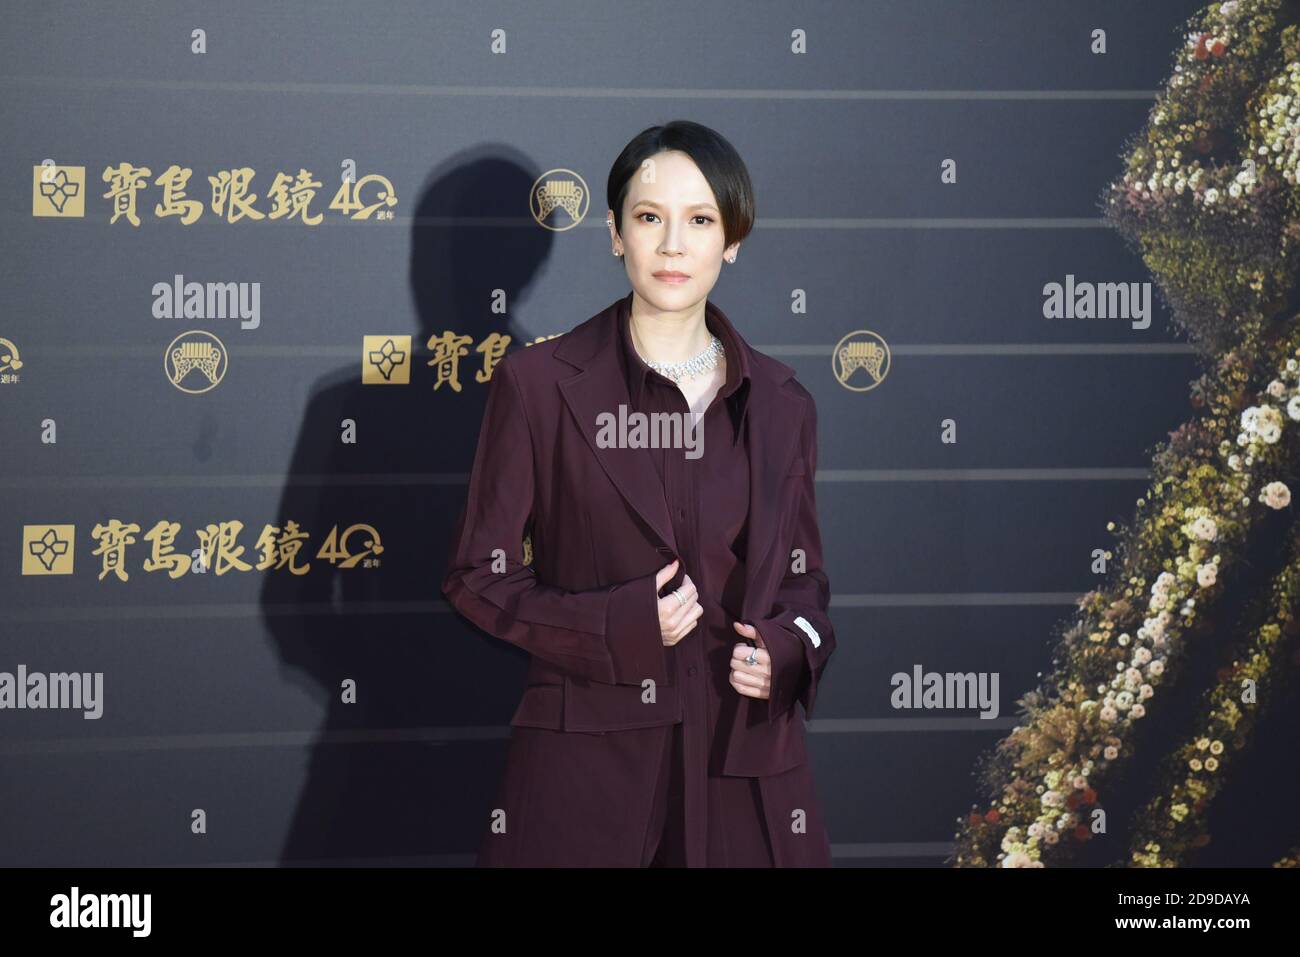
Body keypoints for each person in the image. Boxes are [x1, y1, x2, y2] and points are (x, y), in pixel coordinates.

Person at [442, 119, 835, 866]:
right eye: (649, 218)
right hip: (586, 769)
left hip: (745, 765)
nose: (673, 245)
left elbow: (804, 580)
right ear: (617, 233)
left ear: (734, 238)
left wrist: (788, 650)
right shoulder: (538, 387)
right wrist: (616, 624)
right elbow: (476, 578)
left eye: (700, 220)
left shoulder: (785, 404)